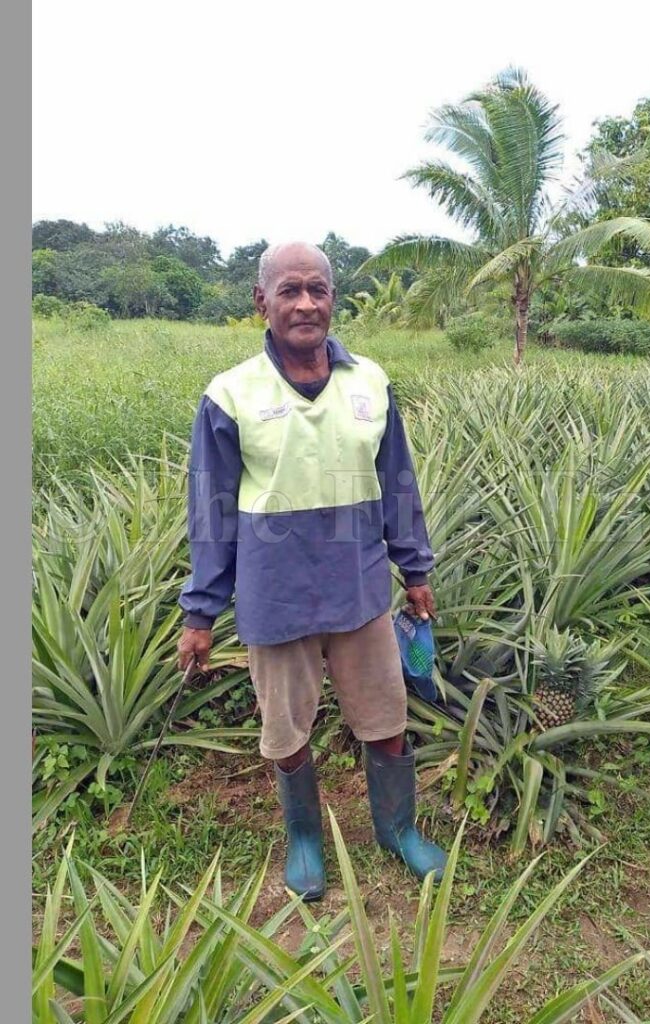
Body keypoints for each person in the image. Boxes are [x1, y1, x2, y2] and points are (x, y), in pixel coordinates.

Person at [176, 241, 446, 901]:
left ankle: (397, 831)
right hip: (277, 598)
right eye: (290, 290)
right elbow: (211, 512)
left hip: (360, 593)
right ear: (261, 302)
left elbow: (398, 485)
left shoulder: (371, 383)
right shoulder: (230, 395)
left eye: (317, 289)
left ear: (333, 298)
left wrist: (414, 570)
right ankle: (304, 839)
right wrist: (201, 612)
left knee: (385, 720)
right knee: (287, 730)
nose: (305, 304)